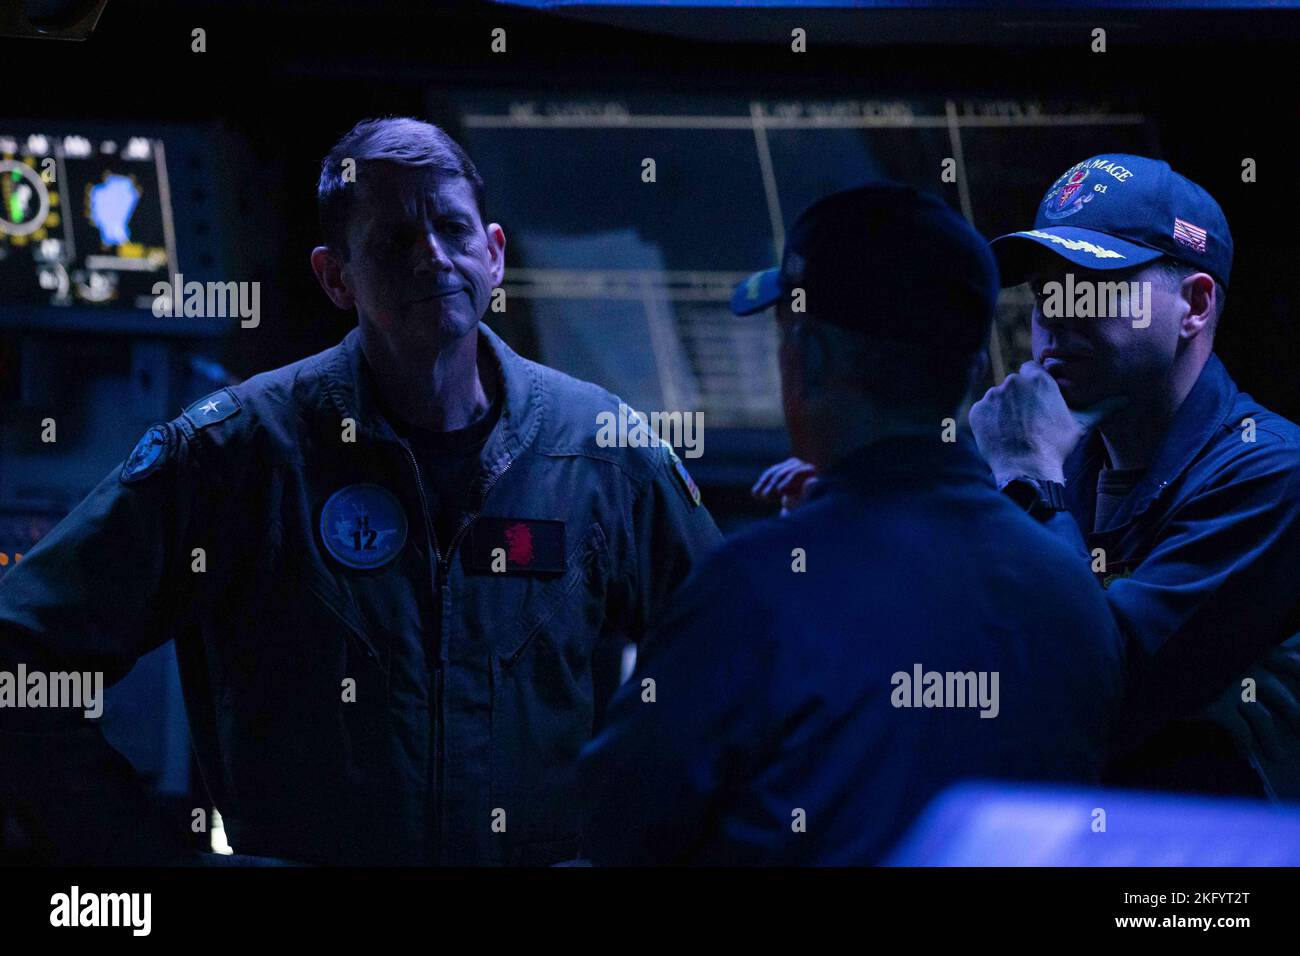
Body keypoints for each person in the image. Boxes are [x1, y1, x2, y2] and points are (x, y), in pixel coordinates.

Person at [0, 116, 721, 866]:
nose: (433, 257)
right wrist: (150, 857)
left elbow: (738, 668)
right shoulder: (237, 454)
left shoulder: (601, 451)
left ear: (495, 254)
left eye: (451, 228)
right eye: (393, 241)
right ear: (335, 277)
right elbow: (18, 656)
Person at [577, 183, 1126, 865]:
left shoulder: (753, 592)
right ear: (975, 370)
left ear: (810, 359)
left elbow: (614, 826)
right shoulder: (1071, 588)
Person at [969, 154, 1300, 799]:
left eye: (1092, 288)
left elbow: (1093, 702)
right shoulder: (1060, 457)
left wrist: (1028, 481)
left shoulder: (1272, 473)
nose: (1056, 318)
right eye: (1046, 294)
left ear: (1195, 305)